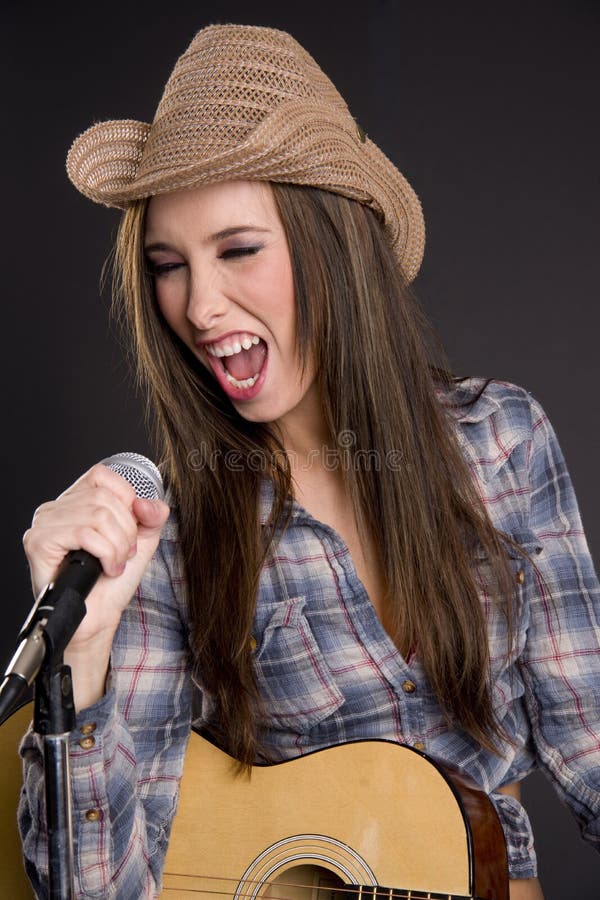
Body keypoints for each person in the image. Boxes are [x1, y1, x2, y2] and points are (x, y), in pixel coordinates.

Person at [18, 23, 599, 900]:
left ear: (335, 247)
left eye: (239, 250)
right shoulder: (170, 537)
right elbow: (89, 888)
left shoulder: (502, 440)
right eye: (168, 265)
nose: (202, 307)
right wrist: (84, 652)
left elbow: (590, 742)